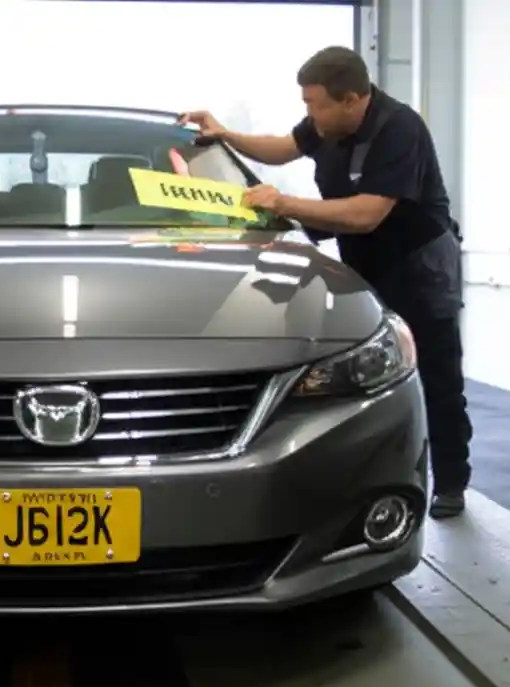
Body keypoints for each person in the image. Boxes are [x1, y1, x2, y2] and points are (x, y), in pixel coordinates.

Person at [179, 46, 472, 518]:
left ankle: (451, 482)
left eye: (315, 103)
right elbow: (282, 147)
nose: (308, 114)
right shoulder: (324, 126)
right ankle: (369, 475)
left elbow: (367, 212)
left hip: (420, 266)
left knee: (436, 375)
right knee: (369, 371)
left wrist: (286, 205)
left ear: (353, 99)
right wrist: (225, 134)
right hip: (366, 259)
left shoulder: (399, 129)